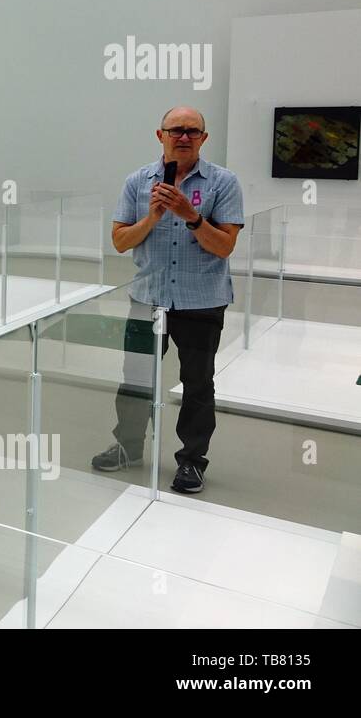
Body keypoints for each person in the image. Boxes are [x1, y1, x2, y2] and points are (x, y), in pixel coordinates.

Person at [91, 107, 244, 493]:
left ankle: (192, 462)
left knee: (197, 384)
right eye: (175, 130)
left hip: (201, 303)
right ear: (159, 135)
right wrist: (153, 217)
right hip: (148, 300)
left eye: (192, 131)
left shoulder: (223, 183)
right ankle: (128, 448)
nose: (183, 136)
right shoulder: (137, 182)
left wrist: (190, 216)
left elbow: (224, 247)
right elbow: (120, 242)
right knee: (135, 380)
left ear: (203, 139)